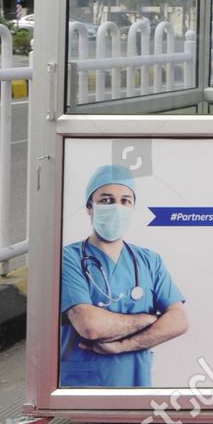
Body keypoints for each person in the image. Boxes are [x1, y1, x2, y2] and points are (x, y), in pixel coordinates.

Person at [59, 164, 189, 388]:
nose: (116, 207)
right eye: (106, 200)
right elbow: (90, 325)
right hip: (86, 382)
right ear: (90, 207)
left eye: (125, 200)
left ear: (132, 207)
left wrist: (122, 345)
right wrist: (147, 319)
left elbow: (179, 321)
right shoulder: (68, 258)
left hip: (137, 380)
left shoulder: (149, 260)